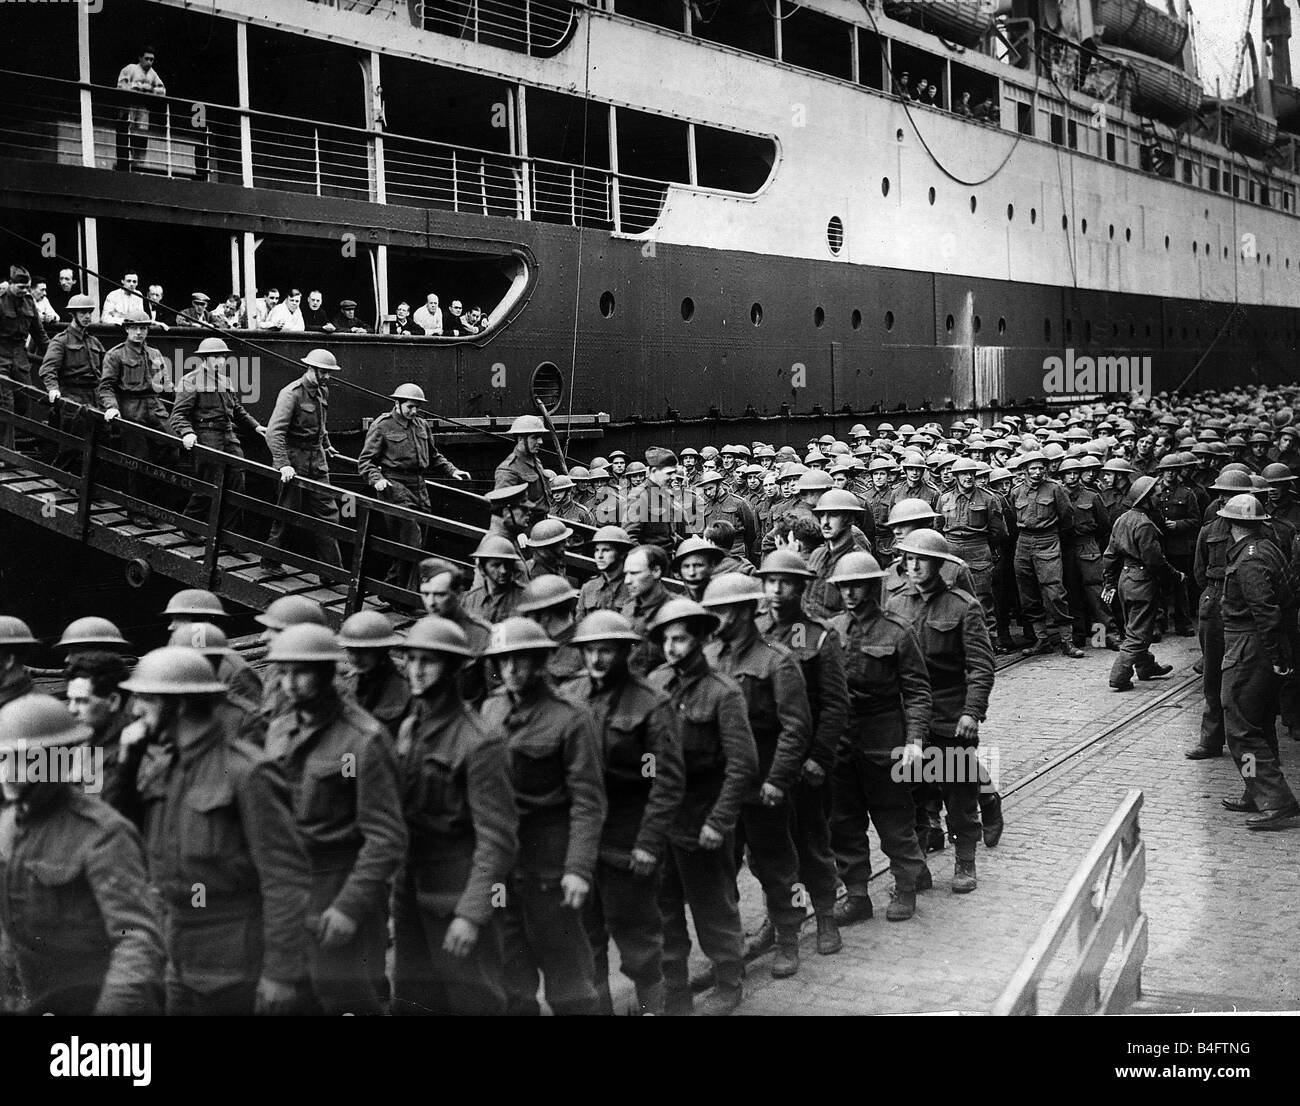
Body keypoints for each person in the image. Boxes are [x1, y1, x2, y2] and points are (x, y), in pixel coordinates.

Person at [124, 647, 312, 1014]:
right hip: (177, 952)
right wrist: (128, 760)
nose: (135, 710)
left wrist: (282, 972)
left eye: (145, 699)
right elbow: (124, 829)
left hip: (236, 957)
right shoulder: (164, 767)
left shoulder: (247, 772)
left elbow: (286, 878)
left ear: (177, 705)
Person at [262, 624, 406, 1014]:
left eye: (301, 672)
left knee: (350, 1001)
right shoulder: (278, 732)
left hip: (340, 891)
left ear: (327, 673)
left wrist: (350, 907)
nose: (289, 683)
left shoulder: (364, 739)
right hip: (288, 897)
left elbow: (385, 837)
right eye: (283, 672)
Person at [0, 694, 166, 1015]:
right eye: (1, 759)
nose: (5, 773)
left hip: (93, 1001)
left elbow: (136, 940)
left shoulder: (102, 833)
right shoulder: (8, 825)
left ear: (53, 761)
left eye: (19, 760)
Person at [391, 616, 518, 1015]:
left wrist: (472, 914)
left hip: (456, 893)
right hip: (411, 891)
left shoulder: (479, 742)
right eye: (411, 659)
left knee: (473, 1001)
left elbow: (497, 840)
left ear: (452, 669)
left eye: (428, 661)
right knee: (411, 1002)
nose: (416, 670)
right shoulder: (410, 729)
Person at [480, 617, 607, 1016]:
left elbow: (588, 801)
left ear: (539, 662)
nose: (510, 669)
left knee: (568, 981)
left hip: (551, 867)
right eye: (503, 660)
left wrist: (578, 868)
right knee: (510, 977)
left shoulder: (571, 717)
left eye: (520, 659)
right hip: (502, 869)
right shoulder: (491, 709)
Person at [566, 610, 685, 1016]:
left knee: (639, 942)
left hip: (628, 838)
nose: (596, 659)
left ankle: (654, 1007)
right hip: (582, 841)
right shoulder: (571, 696)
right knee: (586, 939)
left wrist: (649, 843)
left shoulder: (651, 703)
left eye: (606, 651)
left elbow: (665, 782)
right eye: (589, 651)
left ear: (624, 652)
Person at [645, 597, 758, 1015]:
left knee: (713, 907)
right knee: (664, 909)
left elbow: (742, 764)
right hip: (661, 820)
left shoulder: (722, 692)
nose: (672, 648)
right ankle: (675, 989)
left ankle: (729, 980)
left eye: (680, 639)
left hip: (702, 816)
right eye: (666, 640)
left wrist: (719, 820)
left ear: (699, 640)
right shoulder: (655, 683)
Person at [702, 573, 812, 980]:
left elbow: (795, 727)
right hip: (721, 788)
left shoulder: (776, 660)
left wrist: (778, 780)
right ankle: (726, 956)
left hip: (764, 784)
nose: (715, 617)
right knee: (718, 873)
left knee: (778, 868)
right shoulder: (708, 657)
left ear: (747, 612)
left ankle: (788, 937)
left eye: (723, 610)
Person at [823, 551, 932, 923]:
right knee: (844, 821)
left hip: (884, 734)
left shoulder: (898, 631)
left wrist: (915, 741)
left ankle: (906, 887)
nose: (850, 593)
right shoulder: (831, 630)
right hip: (841, 738)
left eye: (857, 586)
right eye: (844, 587)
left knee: (894, 818)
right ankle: (857, 895)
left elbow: (917, 692)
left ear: (872, 587)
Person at [884, 530, 995, 894]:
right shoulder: (896, 604)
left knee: (959, 794)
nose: (914, 566)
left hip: (950, 715)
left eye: (922, 560)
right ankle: (916, 866)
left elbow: (981, 666)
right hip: (908, 718)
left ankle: (965, 860)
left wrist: (971, 712)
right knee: (911, 795)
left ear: (938, 565)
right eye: (909, 559)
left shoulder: (962, 606)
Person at [753, 548, 849, 954]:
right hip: (767, 759)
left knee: (812, 843)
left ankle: (825, 916)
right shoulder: (754, 631)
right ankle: (780, 919)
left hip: (805, 760)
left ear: (801, 587)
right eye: (771, 581)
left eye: (786, 582)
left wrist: (819, 758)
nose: (777, 590)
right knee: (769, 850)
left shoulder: (819, 635)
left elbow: (834, 704)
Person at [1216, 494, 1300, 828]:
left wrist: (1276, 655)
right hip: (1262, 647)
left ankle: (1276, 801)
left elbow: (1266, 611)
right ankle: (1256, 791)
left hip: (1248, 648)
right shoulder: (1267, 548)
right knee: (1260, 723)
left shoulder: (1247, 560)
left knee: (1239, 727)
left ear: (1229, 523)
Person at [358, 382, 468, 592]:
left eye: (417, 407)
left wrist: (452, 470)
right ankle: (406, 598)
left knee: (414, 543)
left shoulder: (421, 425)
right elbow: (365, 461)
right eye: (410, 406)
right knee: (411, 542)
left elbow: (434, 456)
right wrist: (376, 479)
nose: (414, 411)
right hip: (394, 486)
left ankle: (390, 590)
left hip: (419, 487)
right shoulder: (382, 425)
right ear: (397, 404)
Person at [171, 336, 268, 537]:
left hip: (228, 435)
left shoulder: (225, 381)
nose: (220, 361)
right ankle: (190, 524)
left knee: (237, 485)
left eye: (222, 357)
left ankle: (228, 535)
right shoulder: (190, 380)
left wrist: (256, 426)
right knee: (208, 484)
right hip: (207, 435)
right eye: (215, 357)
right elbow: (178, 414)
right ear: (205, 358)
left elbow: (237, 409)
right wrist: (187, 432)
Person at [261, 348, 345, 579]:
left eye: (329, 373)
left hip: (317, 460)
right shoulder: (292, 393)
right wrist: (283, 464)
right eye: (323, 372)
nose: (327, 377)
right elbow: (274, 433)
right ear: (311, 369)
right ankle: (270, 560)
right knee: (288, 512)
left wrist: (326, 444)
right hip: (294, 460)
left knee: (328, 513)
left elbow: (320, 423)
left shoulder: (322, 391)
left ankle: (331, 571)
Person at [97, 308, 176, 520]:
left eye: (143, 328)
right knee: (138, 459)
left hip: (155, 407)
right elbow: (106, 387)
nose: (139, 332)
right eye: (134, 328)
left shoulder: (155, 354)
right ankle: (136, 511)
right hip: (131, 407)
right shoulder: (116, 355)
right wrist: (111, 407)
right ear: (126, 329)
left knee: (171, 448)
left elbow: (166, 386)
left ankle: (155, 506)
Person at [1102, 475, 1179, 691]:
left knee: (1135, 627)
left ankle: (1146, 666)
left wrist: (1109, 583)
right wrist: (1175, 576)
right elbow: (1155, 561)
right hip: (1143, 583)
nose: (1159, 498)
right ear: (1145, 499)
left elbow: (1110, 555)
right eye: (1156, 495)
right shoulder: (1145, 524)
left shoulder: (1122, 519)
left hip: (1125, 580)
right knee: (1138, 633)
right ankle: (1119, 676)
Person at [1014, 452, 1084, 658]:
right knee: (1027, 593)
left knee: (1055, 592)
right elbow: (1011, 517)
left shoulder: (1055, 489)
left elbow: (1067, 518)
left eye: (1041, 468)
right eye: (1033, 468)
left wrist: (1053, 538)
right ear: (1025, 470)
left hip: (1048, 541)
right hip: (1024, 542)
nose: (1037, 472)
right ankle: (1042, 639)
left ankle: (1067, 641)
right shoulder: (1016, 491)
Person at [64, 651, 147, 821]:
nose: (72, 709)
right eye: (70, 700)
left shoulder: (135, 751)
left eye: (82, 701)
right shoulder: (82, 745)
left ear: (113, 701)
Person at [937, 456, 1007, 639]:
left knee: (983, 597)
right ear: (956, 476)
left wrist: (984, 547)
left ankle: (988, 640)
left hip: (978, 549)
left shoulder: (988, 498)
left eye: (971, 473)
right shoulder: (944, 498)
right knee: (951, 595)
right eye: (963, 473)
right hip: (951, 549)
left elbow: (998, 531)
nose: (968, 477)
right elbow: (938, 527)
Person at [38, 293, 105, 473]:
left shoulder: (94, 342)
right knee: (72, 445)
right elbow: (48, 369)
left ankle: (87, 484)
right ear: (73, 314)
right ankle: (60, 479)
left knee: (99, 442)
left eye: (89, 312)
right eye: (82, 312)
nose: (87, 316)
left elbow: (106, 371)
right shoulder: (61, 340)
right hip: (72, 395)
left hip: (94, 396)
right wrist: (53, 389)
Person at [418, 557, 495, 706]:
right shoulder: (421, 631)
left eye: (440, 594)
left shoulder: (483, 635)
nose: (431, 603)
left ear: (458, 594)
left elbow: (496, 696)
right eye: (426, 594)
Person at [337, 611, 411, 742]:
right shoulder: (348, 682)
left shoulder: (403, 693)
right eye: (351, 650)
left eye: (364, 651)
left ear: (382, 650)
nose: (356, 658)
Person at [0, 266, 49, 451]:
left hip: (20, 356)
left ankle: (10, 442)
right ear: (11, 284)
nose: (25, 291)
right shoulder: (1, 301)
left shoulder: (29, 302)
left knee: (25, 398)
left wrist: (54, 357)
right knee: (6, 402)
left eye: (27, 287)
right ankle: (7, 453)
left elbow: (39, 334)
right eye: (21, 287)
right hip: (1, 355)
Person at [621, 544, 673, 675]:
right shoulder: (627, 609)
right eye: (626, 574)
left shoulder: (676, 610)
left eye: (634, 573)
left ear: (656, 571)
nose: (627, 581)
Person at [625, 447, 687, 552]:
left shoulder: (663, 493)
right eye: (669, 473)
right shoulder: (640, 495)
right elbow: (629, 537)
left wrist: (688, 544)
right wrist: (648, 558)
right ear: (654, 471)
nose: (673, 477)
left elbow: (666, 535)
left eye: (674, 472)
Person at [116, 46, 166, 170]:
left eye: (151, 59)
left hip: (143, 108)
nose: (149, 62)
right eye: (147, 59)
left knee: (141, 136)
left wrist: (149, 89)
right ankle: (123, 164)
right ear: (140, 58)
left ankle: (138, 165)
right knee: (126, 133)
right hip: (129, 106)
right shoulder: (131, 69)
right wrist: (136, 87)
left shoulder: (153, 74)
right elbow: (121, 85)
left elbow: (162, 90)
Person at [463, 534, 527, 624]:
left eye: (507, 565)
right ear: (482, 568)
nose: (503, 571)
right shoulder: (470, 599)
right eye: (496, 565)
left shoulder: (525, 596)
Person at [494, 414, 552, 510]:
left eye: (540, 437)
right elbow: (503, 508)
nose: (540, 441)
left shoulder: (535, 461)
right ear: (520, 439)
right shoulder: (508, 469)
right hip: (527, 519)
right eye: (535, 437)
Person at [577, 525, 634, 618]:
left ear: (622, 553)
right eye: (597, 550)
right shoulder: (589, 587)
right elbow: (580, 623)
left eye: (606, 550)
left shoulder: (633, 587)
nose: (600, 555)